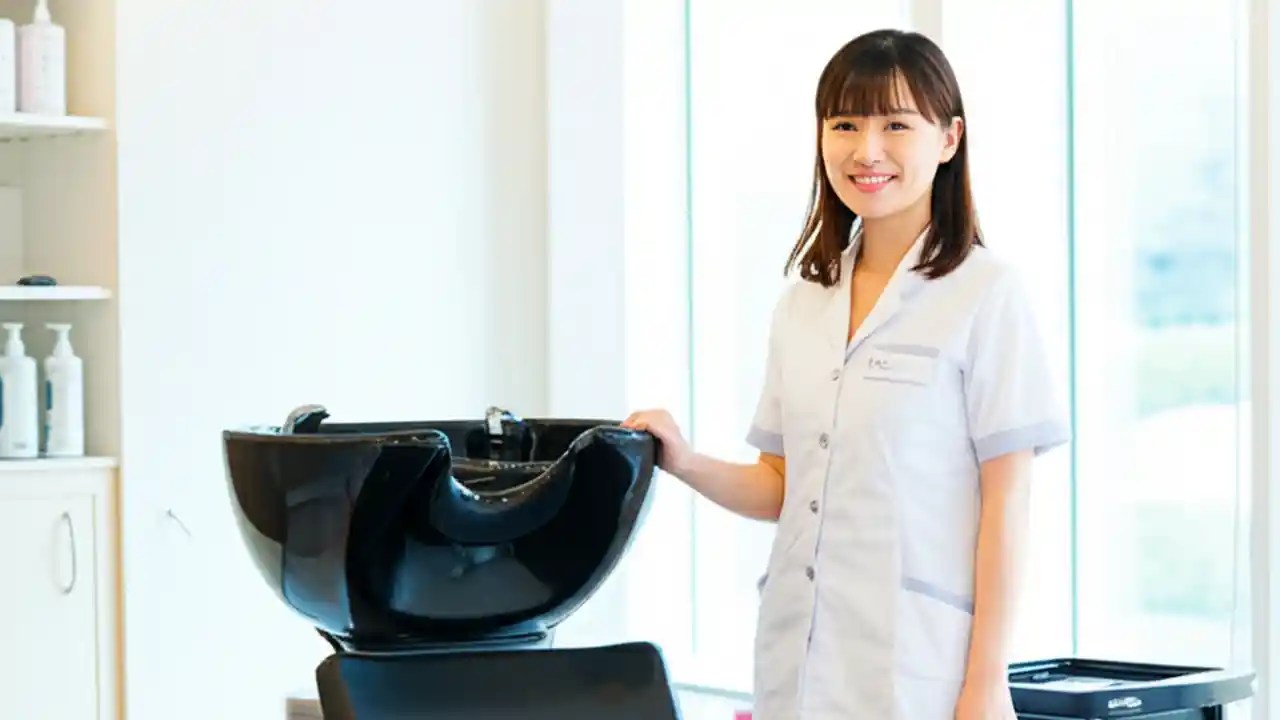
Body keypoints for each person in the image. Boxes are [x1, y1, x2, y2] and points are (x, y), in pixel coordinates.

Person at [622, 28, 1070, 720]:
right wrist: (683, 461)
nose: (867, 150)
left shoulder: (986, 293)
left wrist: (986, 683)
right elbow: (781, 485)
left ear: (949, 138)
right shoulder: (805, 299)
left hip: (922, 670)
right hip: (799, 663)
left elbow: (1006, 509)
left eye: (896, 124)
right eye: (845, 124)